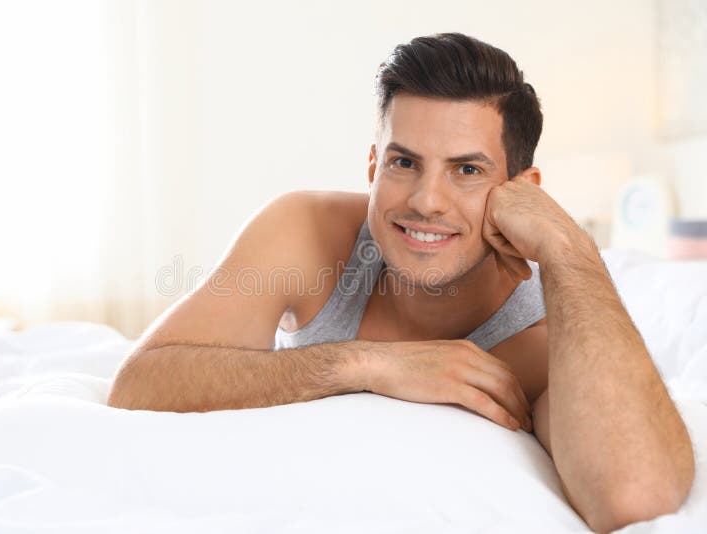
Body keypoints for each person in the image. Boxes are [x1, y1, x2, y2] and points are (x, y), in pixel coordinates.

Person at [107, 32, 693, 533]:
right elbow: (139, 383)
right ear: (373, 166)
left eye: (467, 170)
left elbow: (635, 497)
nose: (424, 201)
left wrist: (569, 249)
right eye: (403, 162)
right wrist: (367, 365)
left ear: (524, 189)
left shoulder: (538, 339)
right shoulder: (304, 231)